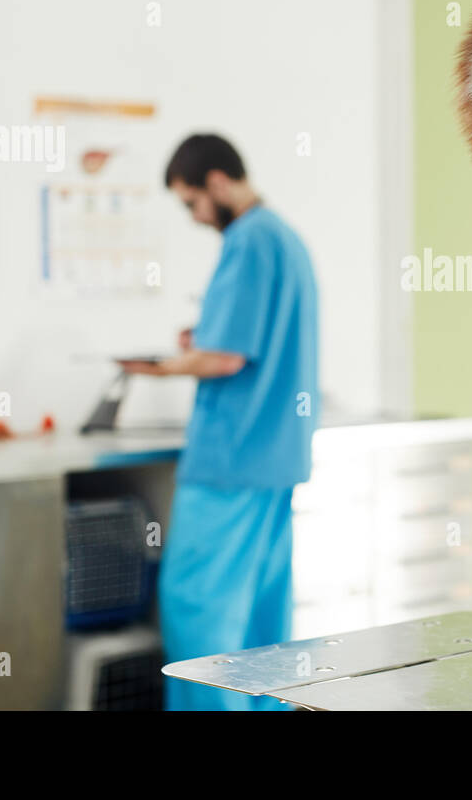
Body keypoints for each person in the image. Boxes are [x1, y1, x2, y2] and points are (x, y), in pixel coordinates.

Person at [120, 133, 318, 710]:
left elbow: (226, 358)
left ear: (216, 182)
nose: (193, 217)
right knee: (262, 622)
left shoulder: (248, 240)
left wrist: (160, 367)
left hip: (232, 461)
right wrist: (203, 338)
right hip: (275, 458)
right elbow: (242, 340)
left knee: (198, 616)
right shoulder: (284, 239)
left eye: (190, 203)